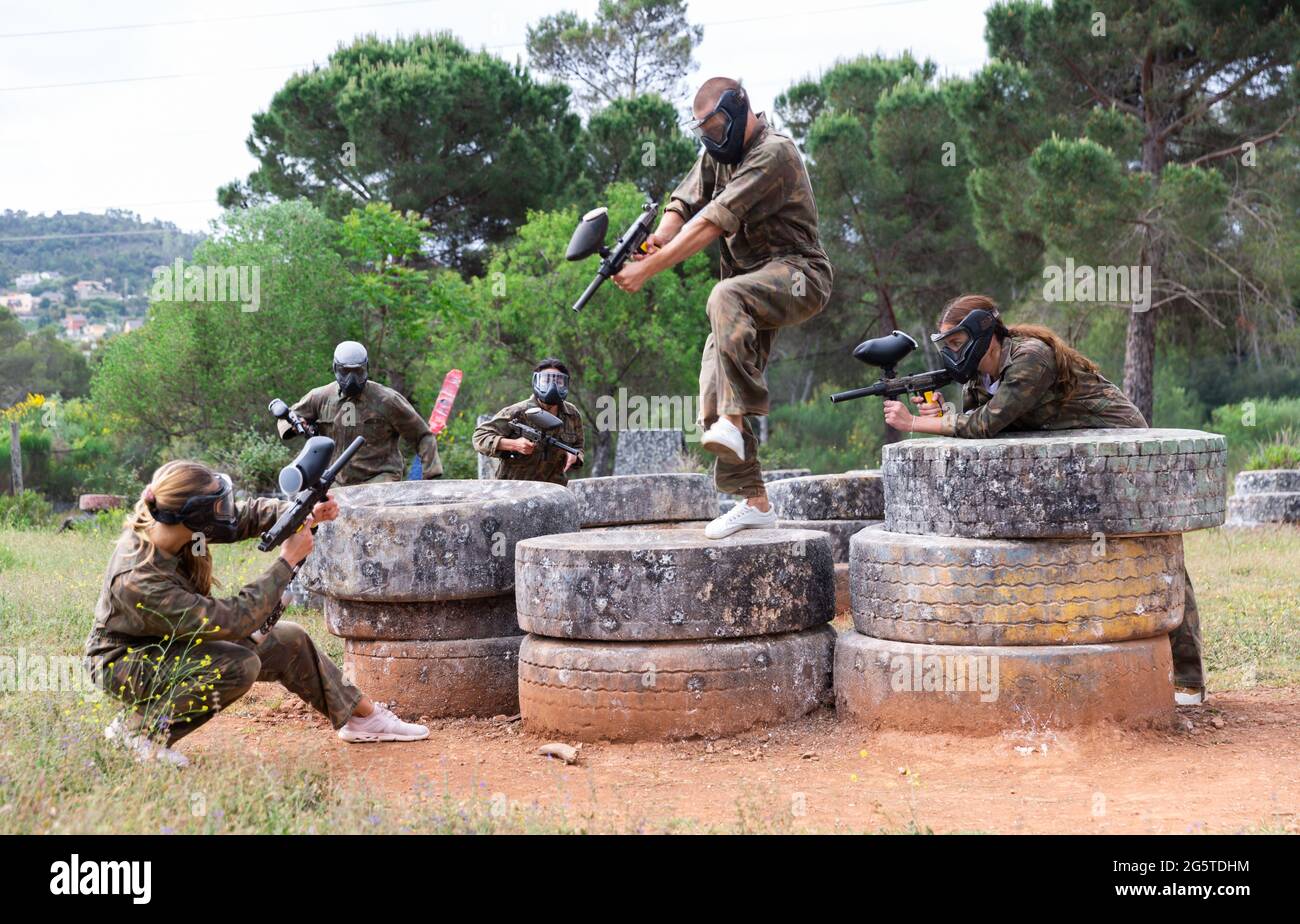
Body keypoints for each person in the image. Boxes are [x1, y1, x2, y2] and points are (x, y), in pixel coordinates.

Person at [882, 294, 1206, 703]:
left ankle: (1188, 679)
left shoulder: (1031, 356)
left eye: (958, 341)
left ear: (984, 330)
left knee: (1154, 551)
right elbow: (982, 431)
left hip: (1120, 445)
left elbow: (986, 425)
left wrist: (916, 423)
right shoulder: (976, 380)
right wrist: (940, 415)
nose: (952, 352)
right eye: (946, 344)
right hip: (1072, 455)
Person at [83, 460, 428, 767]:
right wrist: (286, 561)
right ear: (194, 514)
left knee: (289, 639)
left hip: (164, 642)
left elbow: (243, 517)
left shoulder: (181, 528)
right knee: (238, 664)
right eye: (216, 505)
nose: (224, 510)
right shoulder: (139, 578)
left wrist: (300, 512)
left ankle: (362, 718)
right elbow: (232, 621)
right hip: (124, 660)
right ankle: (138, 732)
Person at [611, 77, 832, 539]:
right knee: (712, 374)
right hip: (750, 289)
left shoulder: (774, 152)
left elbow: (713, 220)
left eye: (717, 127)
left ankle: (735, 419)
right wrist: (658, 238)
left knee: (723, 295)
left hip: (798, 275)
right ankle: (754, 500)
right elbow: (686, 200)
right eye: (704, 132)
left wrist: (648, 271)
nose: (712, 138)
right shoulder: (718, 153)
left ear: (740, 111)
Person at [278, 341, 442, 486]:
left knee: (377, 515)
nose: (352, 378)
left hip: (379, 479)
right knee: (317, 512)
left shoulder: (387, 400)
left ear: (366, 368)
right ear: (336, 368)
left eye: (358, 371)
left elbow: (422, 435)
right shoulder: (320, 397)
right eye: (346, 371)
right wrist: (294, 427)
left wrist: (430, 479)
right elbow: (287, 416)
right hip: (335, 480)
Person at [473, 359, 584, 485]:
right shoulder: (517, 412)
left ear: (565, 384)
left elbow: (578, 447)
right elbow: (479, 438)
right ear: (536, 382)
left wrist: (575, 456)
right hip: (515, 488)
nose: (552, 386)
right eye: (546, 381)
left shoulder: (571, 414)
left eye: (558, 382)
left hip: (555, 489)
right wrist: (514, 444)